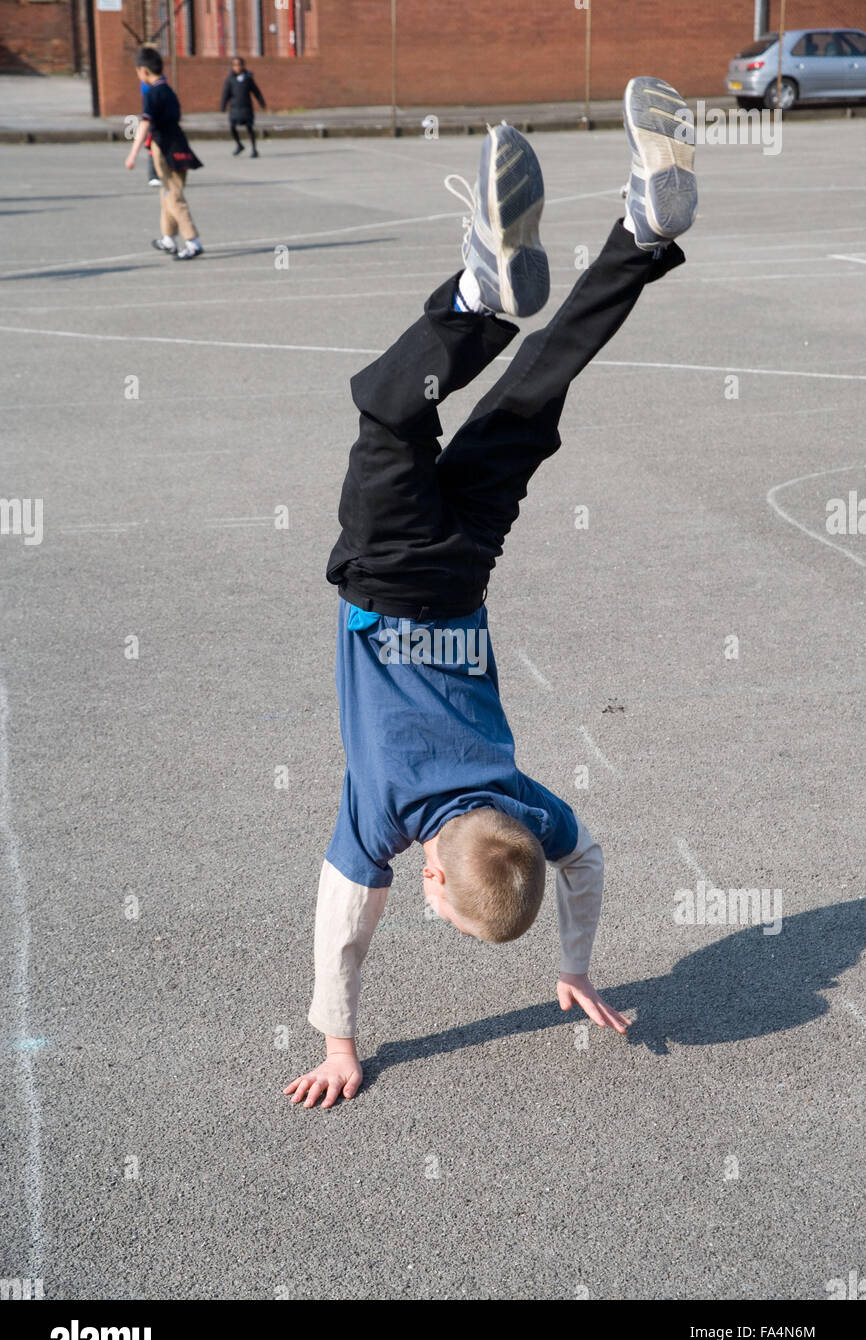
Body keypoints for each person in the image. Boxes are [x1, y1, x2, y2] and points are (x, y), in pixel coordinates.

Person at [285, 77, 698, 1110]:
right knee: (386, 413)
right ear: (429, 874)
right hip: (392, 567)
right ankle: (478, 301)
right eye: (445, 911)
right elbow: (342, 927)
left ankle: (640, 234)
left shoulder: (529, 809)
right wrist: (337, 1039)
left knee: (538, 386)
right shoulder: (385, 812)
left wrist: (576, 961)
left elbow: (586, 862)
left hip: (467, 561)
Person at [124, 46, 204, 261]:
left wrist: (132, 154)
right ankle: (168, 237)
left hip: (166, 149)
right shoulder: (169, 90)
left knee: (174, 195)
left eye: (138, 72)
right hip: (179, 143)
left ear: (144, 71)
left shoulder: (152, 94)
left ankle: (192, 241)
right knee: (166, 193)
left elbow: (144, 124)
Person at [220, 56, 267, 158]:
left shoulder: (248, 78)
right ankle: (239, 145)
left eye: (239, 65)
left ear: (243, 66)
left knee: (249, 128)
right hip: (234, 108)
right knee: (232, 127)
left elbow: (256, 91)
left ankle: (254, 149)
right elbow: (225, 94)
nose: (237, 67)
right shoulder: (230, 80)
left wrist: (262, 102)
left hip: (246, 107)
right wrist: (223, 105)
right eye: (235, 65)